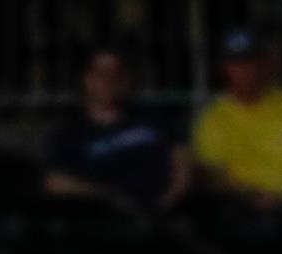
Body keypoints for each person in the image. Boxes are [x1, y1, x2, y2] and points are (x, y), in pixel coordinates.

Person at [189, 29, 282, 208]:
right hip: (240, 207)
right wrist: (252, 197)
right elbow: (212, 175)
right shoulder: (212, 118)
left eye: (252, 63)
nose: (246, 71)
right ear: (225, 69)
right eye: (237, 64)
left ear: (265, 66)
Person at [44, 47, 191, 208]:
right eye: (101, 74)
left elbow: (181, 156)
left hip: (165, 214)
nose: (109, 81)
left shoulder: (153, 118)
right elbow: (56, 182)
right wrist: (110, 199)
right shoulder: (69, 134)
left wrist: (170, 199)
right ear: (86, 79)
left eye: (116, 73)